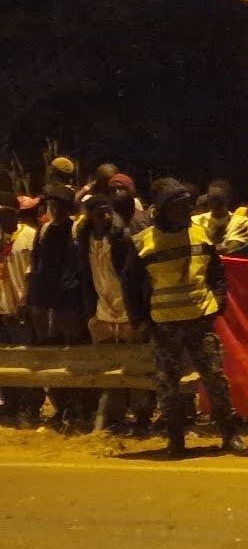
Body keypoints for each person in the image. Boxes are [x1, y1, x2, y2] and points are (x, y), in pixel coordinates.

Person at [120, 179, 248, 457]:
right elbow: (130, 284)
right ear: (164, 209)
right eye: (179, 206)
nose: (186, 210)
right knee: (169, 384)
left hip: (200, 319)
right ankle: (175, 439)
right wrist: (140, 321)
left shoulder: (201, 234)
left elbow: (217, 274)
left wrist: (218, 303)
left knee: (215, 378)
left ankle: (230, 435)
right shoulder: (144, 242)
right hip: (164, 324)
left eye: (187, 205)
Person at [77, 195, 152, 434]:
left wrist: (138, 316)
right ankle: (115, 419)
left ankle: (142, 419)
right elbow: (86, 279)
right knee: (109, 368)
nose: (106, 217)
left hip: (126, 312)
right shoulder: (84, 240)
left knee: (136, 368)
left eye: (107, 211)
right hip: (102, 312)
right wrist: (91, 314)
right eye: (99, 213)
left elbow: (136, 280)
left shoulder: (122, 239)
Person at [28, 182, 93, 429]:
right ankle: (61, 406)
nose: (53, 209)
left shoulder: (76, 229)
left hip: (71, 302)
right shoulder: (43, 230)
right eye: (50, 204)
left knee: (75, 352)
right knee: (51, 352)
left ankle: (80, 406)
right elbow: (37, 265)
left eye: (58, 204)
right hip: (47, 302)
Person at [0, 192, 39, 426]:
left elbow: (32, 273)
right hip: (2, 308)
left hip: (21, 308)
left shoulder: (29, 236)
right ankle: (10, 404)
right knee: (4, 360)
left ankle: (30, 406)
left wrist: (25, 303)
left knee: (26, 359)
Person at [193, 181, 248, 254]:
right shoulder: (196, 221)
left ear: (228, 199)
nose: (215, 204)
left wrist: (200, 249)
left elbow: (230, 249)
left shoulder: (240, 222)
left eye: (218, 200)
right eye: (211, 199)